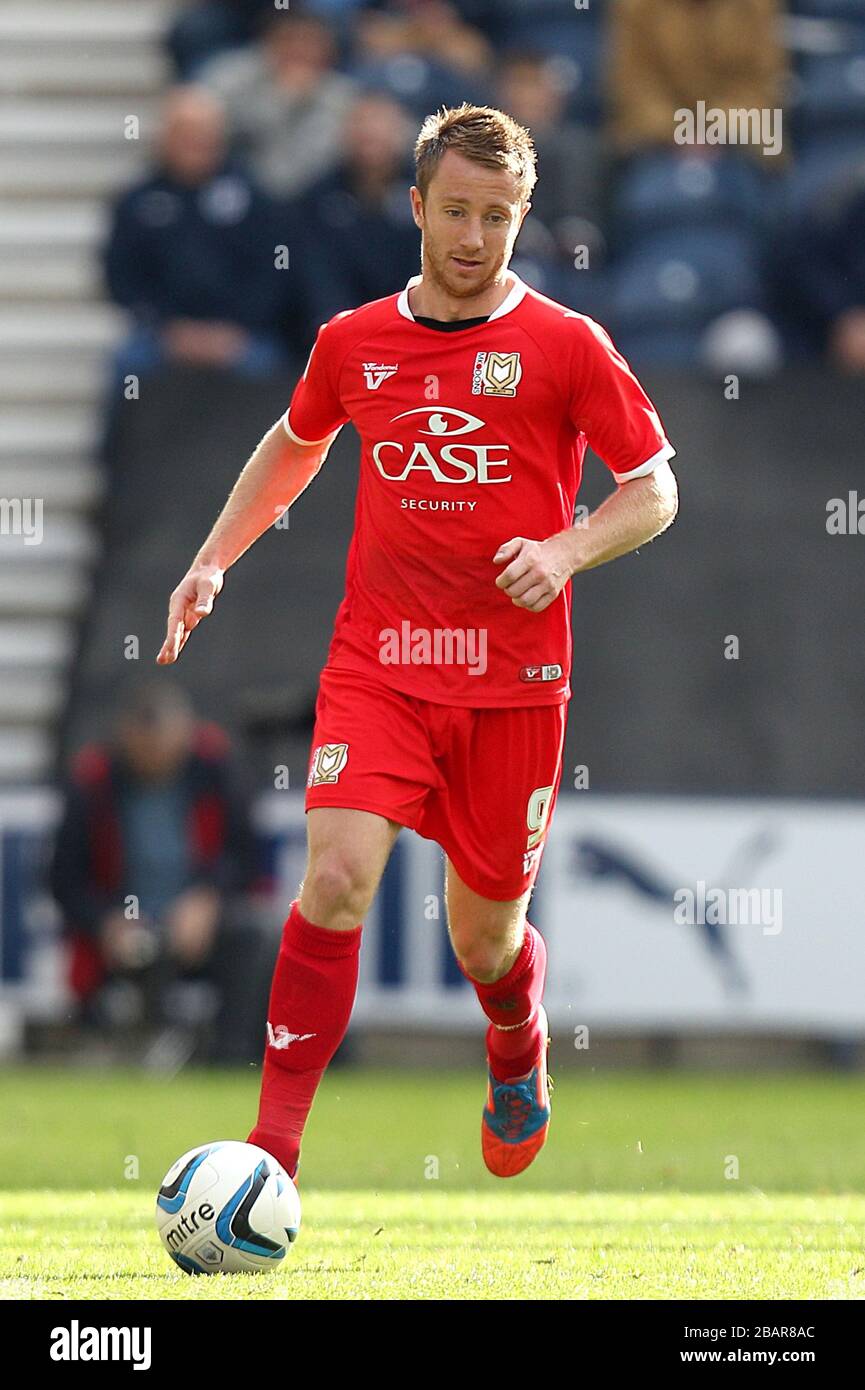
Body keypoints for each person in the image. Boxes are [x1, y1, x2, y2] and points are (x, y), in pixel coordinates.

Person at [157, 103, 679, 1179]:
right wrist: (215, 556)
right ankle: (272, 1151)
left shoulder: (565, 346)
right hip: (380, 666)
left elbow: (655, 489)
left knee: (481, 943)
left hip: (515, 685)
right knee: (337, 878)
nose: (475, 237)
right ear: (416, 207)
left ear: (523, 215)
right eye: (455, 211)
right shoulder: (353, 342)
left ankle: (514, 1037)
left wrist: (569, 548)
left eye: (498, 215)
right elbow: (295, 444)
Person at [50, 682, 264, 1064]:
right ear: (126, 737)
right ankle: (143, 1052)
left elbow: (247, 858)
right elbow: (63, 880)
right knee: (137, 965)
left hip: (197, 926)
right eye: (145, 752)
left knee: (252, 936)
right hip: (126, 930)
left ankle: (229, 1059)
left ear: (185, 734)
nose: (155, 762)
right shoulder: (92, 782)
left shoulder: (218, 770)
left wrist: (207, 897)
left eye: (164, 751)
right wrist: (106, 922)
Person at [104, 86, 296, 388]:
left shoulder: (254, 197)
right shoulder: (137, 201)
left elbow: (276, 270)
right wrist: (170, 329)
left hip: (241, 335)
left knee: (272, 371)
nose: (195, 142)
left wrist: (236, 329)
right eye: (185, 132)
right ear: (165, 135)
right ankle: (120, 438)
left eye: (204, 132)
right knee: (127, 369)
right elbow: (120, 277)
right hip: (163, 335)